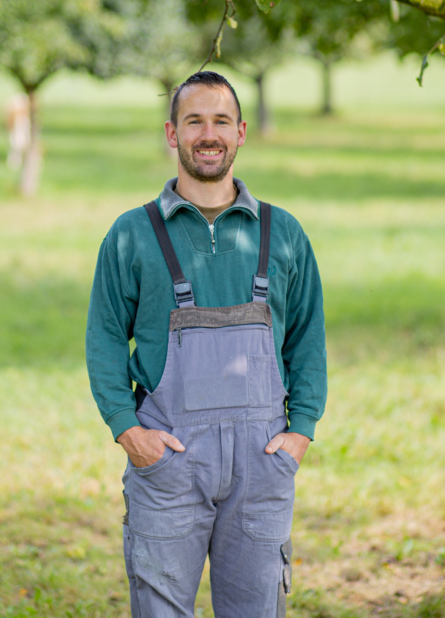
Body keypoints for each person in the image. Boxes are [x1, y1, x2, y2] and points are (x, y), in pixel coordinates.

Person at [86, 71, 327, 618]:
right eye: (194, 121)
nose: (208, 133)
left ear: (241, 132)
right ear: (172, 134)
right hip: (168, 462)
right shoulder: (132, 233)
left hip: (262, 462)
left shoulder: (282, 233)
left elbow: (308, 338)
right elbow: (103, 337)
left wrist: (301, 431)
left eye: (221, 121)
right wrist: (128, 430)